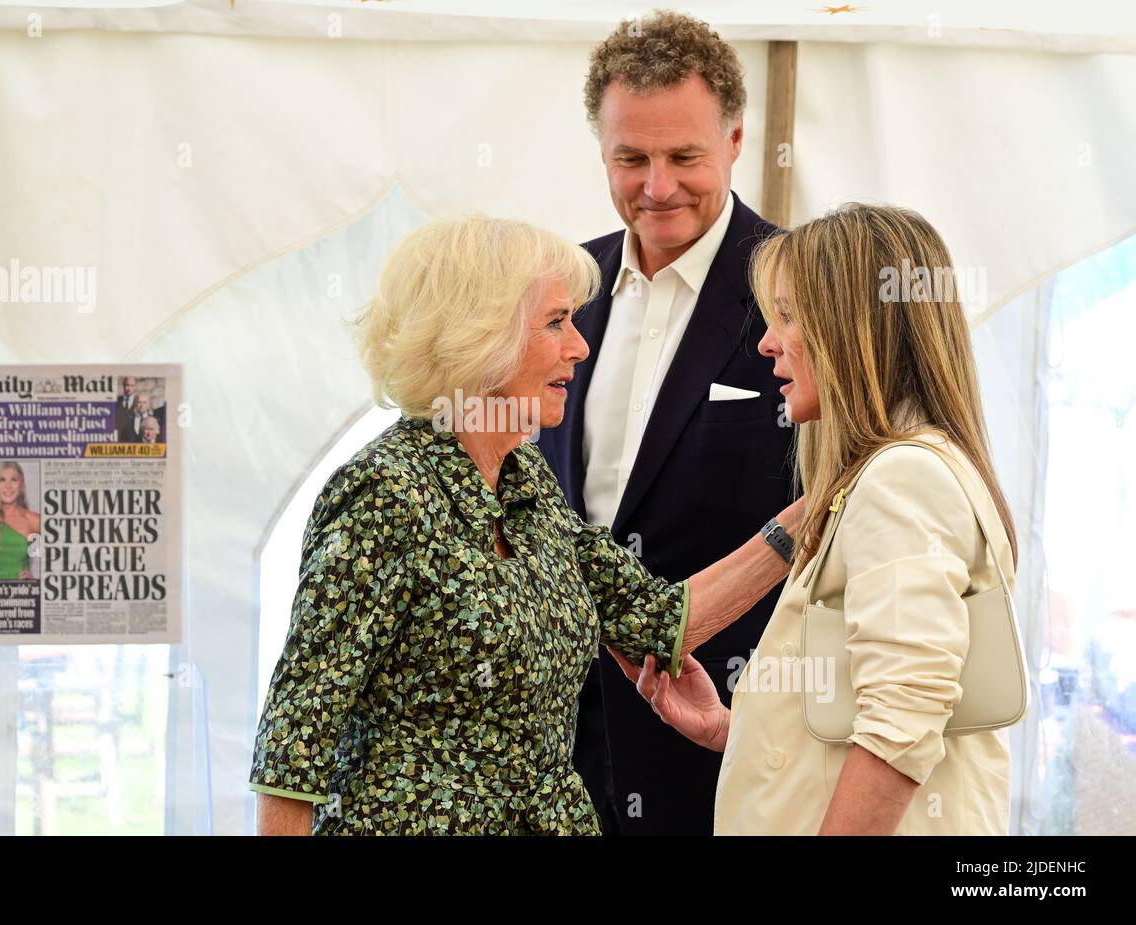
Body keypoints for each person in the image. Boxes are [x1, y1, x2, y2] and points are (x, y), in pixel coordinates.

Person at [250, 215, 803, 835]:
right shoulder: (384, 490)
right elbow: (297, 735)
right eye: (554, 323)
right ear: (476, 337)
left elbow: (655, 620)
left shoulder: (525, 478)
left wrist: (807, 517)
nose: (580, 346)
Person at [615, 203, 1020, 834]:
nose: (766, 342)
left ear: (852, 327)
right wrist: (733, 728)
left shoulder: (901, 480)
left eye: (787, 316)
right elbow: (868, 711)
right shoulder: (900, 471)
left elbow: (902, 721)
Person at [536, 10, 794, 835]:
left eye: (684, 157)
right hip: (560, 744)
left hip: (727, 736)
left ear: (736, 141)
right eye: (630, 158)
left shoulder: (799, 290)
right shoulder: (560, 285)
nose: (656, 187)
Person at [0, 461, 40, 581]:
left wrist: (35, 580)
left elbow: (39, 561)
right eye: (2, 480)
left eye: (13, 480)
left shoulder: (34, 521)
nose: (8, 486)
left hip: (20, 595)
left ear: (22, 485)